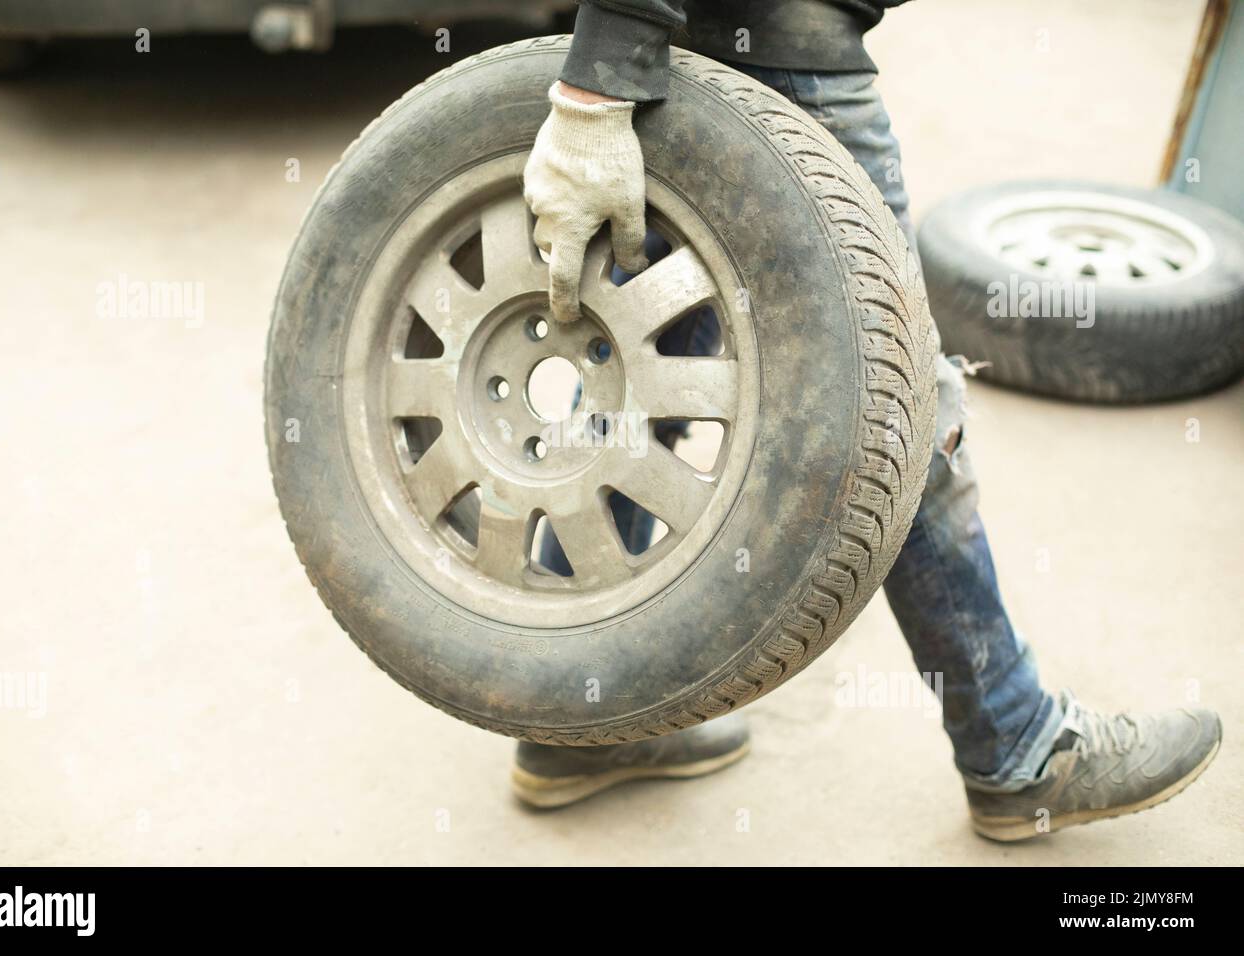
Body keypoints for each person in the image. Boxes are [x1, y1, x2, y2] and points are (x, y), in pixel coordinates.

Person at [512, 0, 1222, 840]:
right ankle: (1014, 738)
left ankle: (571, 713)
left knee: (647, 376)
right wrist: (602, 78)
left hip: (711, 39)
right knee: (894, 398)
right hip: (782, 45)